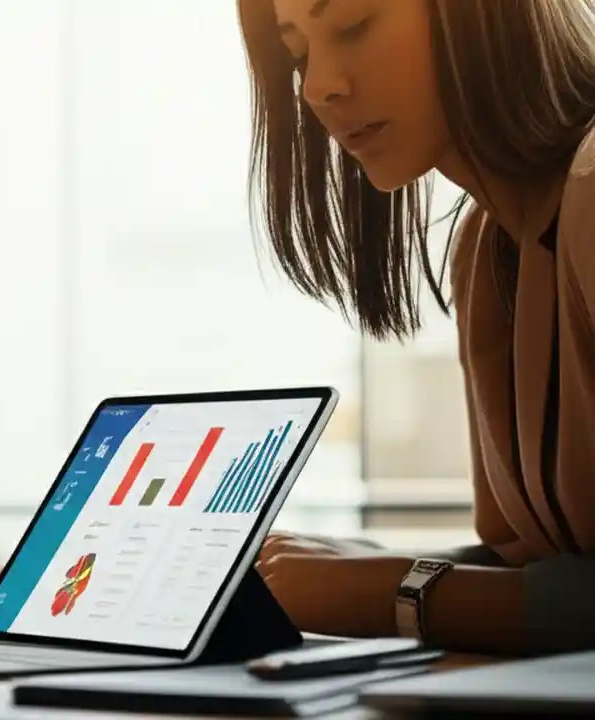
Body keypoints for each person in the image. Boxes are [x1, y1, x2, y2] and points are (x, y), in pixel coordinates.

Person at [241, 0, 595, 654]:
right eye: (298, 54)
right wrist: (353, 563)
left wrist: (387, 590)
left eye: (353, 25)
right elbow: (543, 565)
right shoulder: (486, 251)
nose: (317, 86)